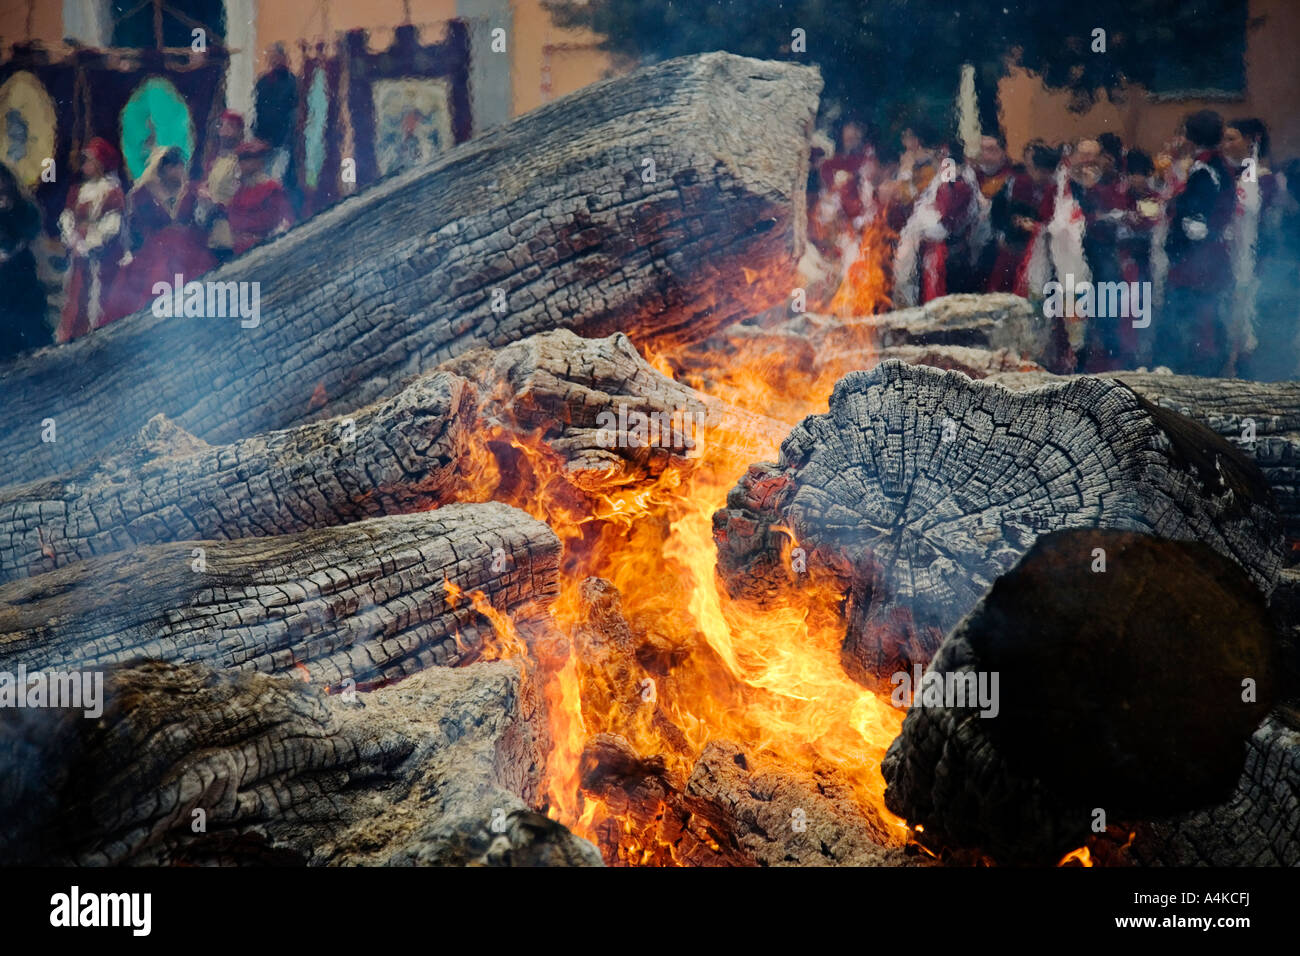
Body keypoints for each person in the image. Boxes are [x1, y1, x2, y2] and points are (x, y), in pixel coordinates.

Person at [1156, 110, 1236, 376]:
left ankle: (1192, 371)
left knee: (1190, 319)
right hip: (1209, 258)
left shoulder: (1204, 170)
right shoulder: (1219, 166)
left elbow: (1195, 225)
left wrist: (1175, 244)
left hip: (1196, 262)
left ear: (1190, 138)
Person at [102, 146, 216, 326]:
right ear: (163, 169)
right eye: (174, 167)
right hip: (155, 251)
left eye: (180, 166)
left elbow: (202, 219)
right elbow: (135, 227)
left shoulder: (192, 191)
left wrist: (204, 204)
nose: (179, 171)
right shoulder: (143, 194)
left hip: (188, 250)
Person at [892, 138, 991, 307]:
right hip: (935, 253)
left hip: (947, 257)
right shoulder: (944, 182)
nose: (939, 162)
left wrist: (920, 230)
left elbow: (943, 226)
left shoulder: (959, 185)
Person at [55, 137, 126, 343]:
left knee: (99, 293)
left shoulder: (111, 190)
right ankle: (72, 333)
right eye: (85, 160)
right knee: (76, 293)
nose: (85, 164)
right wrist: (74, 239)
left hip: (101, 253)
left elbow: (112, 223)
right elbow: (67, 216)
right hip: (80, 251)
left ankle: (96, 332)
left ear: (101, 164)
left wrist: (90, 243)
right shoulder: (78, 190)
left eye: (90, 160)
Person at [987, 142, 1058, 295]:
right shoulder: (1018, 181)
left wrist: (1035, 227)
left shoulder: (1055, 189)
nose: (1029, 170)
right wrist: (1002, 233)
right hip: (1013, 249)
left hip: (1041, 253)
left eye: (1031, 166)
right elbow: (999, 211)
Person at [0, 162, 50, 358]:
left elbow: (31, 226)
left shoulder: (21, 205)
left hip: (19, 270)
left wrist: (10, 210)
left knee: (26, 317)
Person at [227, 139, 294, 255]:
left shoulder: (271, 188)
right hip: (240, 251)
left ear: (260, 162)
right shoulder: (240, 191)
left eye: (248, 159)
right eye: (241, 160)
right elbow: (233, 219)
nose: (243, 165)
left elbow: (284, 220)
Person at [197, 110, 245, 261]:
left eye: (230, 126)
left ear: (238, 131)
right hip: (214, 230)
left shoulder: (240, 160)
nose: (224, 130)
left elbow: (239, 194)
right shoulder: (217, 159)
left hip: (230, 230)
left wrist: (215, 202)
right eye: (222, 125)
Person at [253, 44, 298, 187]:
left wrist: (277, 141)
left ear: (284, 58)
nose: (273, 60)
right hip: (262, 143)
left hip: (282, 143)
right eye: (270, 56)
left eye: (276, 56)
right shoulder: (262, 82)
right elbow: (257, 110)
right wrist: (258, 138)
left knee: (277, 181)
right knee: (262, 180)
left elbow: (293, 116)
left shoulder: (293, 83)